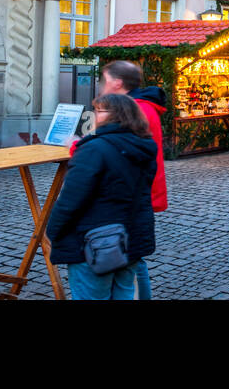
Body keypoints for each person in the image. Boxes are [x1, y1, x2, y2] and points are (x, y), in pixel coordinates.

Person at [46, 93, 156, 300]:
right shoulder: (143, 145)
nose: (94, 115)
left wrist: (52, 231)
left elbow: (70, 201)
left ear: (115, 115)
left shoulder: (94, 149)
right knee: (124, 293)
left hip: (96, 242)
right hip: (132, 238)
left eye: (99, 110)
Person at [97, 61, 167, 300]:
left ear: (117, 83)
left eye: (104, 80)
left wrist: (79, 148)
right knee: (132, 256)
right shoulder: (139, 106)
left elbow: (120, 149)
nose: (101, 85)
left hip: (133, 192)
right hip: (138, 190)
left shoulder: (135, 109)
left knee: (133, 257)